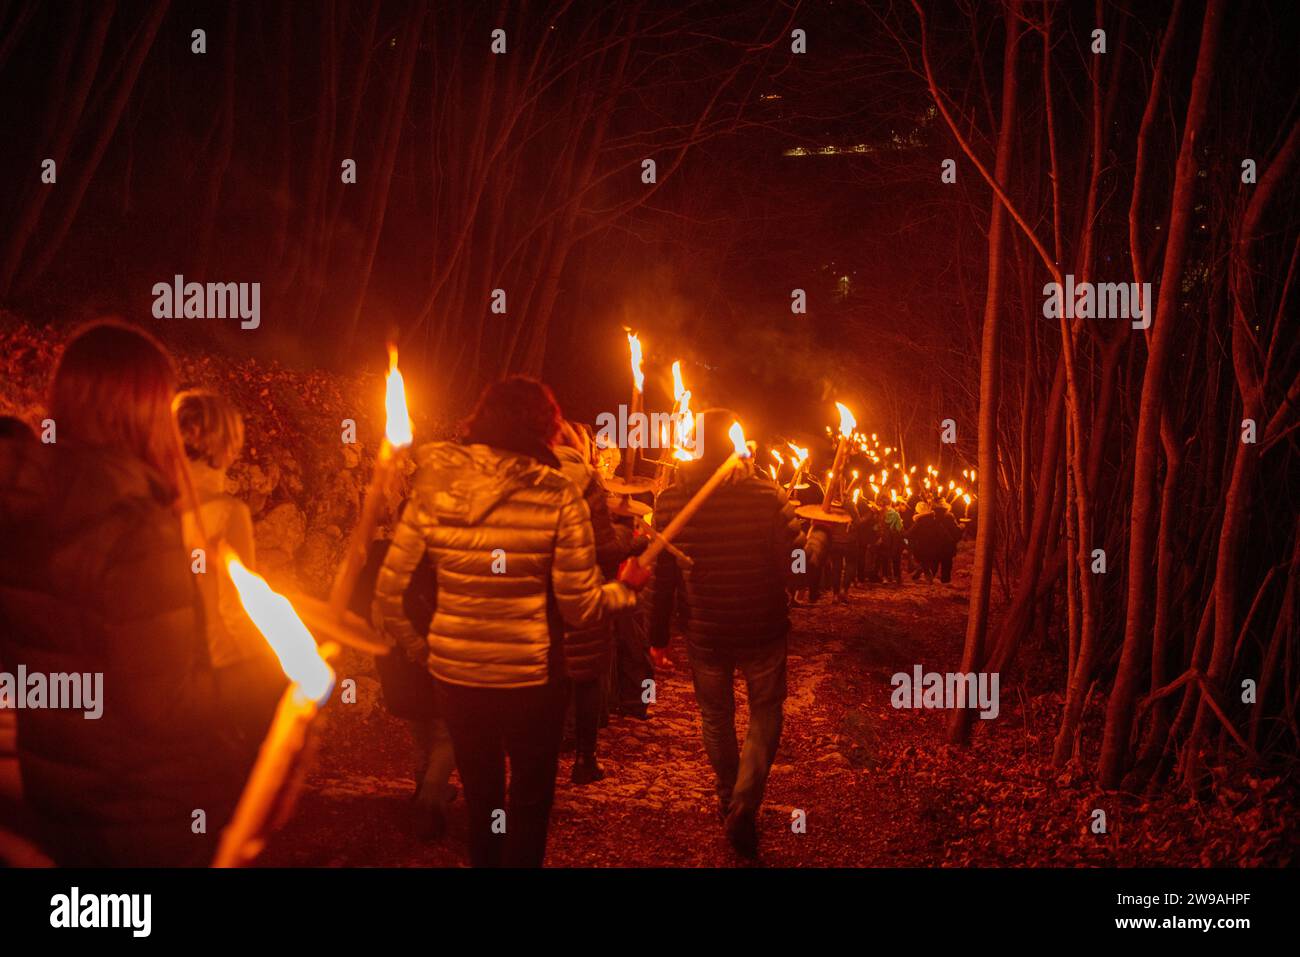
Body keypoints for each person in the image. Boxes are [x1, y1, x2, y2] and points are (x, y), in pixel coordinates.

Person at [0, 320, 242, 865]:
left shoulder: (23, 506)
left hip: (58, 793)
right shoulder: (134, 525)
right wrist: (262, 685)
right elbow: (165, 704)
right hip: (142, 810)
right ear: (146, 410)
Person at [372, 376, 639, 868]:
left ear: (479, 420)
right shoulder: (560, 492)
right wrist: (626, 588)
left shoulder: (436, 485)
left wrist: (421, 646)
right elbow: (579, 606)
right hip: (531, 676)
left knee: (484, 799)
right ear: (549, 429)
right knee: (530, 801)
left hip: (458, 674)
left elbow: (390, 589)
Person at [635, 409, 804, 859]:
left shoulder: (671, 499)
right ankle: (744, 803)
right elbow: (795, 570)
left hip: (706, 630)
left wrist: (657, 635)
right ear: (735, 442)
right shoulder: (766, 495)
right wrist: (816, 544)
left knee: (716, 717)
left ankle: (729, 797)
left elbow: (662, 578)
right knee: (765, 713)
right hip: (761, 626)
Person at [174, 390, 286, 761]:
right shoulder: (227, 513)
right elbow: (236, 606)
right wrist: (270, 670)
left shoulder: (156, 509)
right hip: (223, 668)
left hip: (171, 671)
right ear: (226, 444)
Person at [554, 420, 629, 785]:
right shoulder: (586, 479)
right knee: (584, 676)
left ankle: (540, 756)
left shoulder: (519, 474)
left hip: (535, 593)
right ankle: (585, 758)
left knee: (545, 675)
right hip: (581, 589)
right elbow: (605, 547)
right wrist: (631, 537)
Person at [929, 499, 962, 584]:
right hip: (947, 547)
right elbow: (955, 532)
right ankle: (945, 583)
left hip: (934, 546)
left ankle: (930, 582)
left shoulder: (930, 517)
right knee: (946, 566)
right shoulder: (949, 516)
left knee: (933, 565)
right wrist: (961, 528)